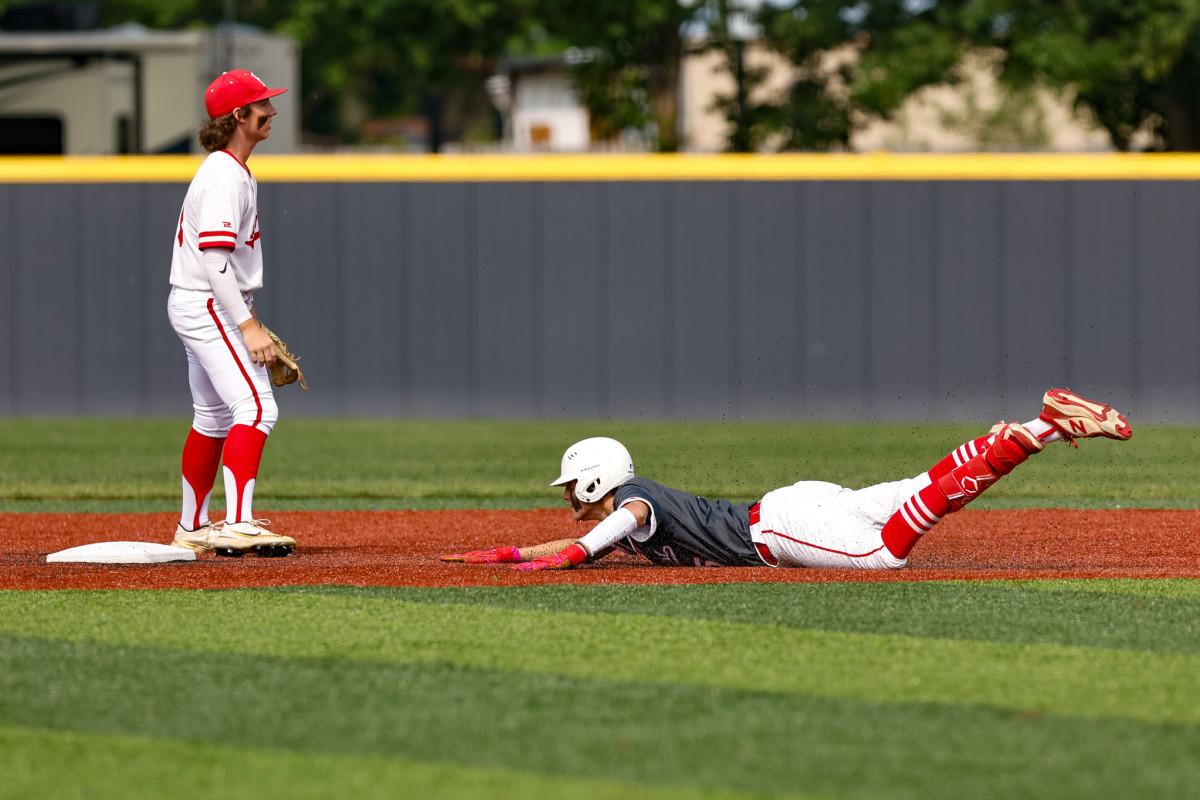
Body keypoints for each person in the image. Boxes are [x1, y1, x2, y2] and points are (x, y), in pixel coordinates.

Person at [441, 388, 1131, 571]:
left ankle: (1023, 441)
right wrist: (493, 554)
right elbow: (565, 546)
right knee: (917, 486)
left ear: (595, 482)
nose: (568, 498)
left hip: (784, 528)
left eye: (571, 486)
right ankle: (1042, 427)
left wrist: (552, 561)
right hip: (794, 505)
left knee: (890, 550)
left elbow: (586, 547)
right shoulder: (633, 509)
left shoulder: (634, 505)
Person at [166, 70, 296, 557]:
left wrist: (252, 317)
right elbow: (215, 258)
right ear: (237, 115)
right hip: (207, 302)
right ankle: (238, 524)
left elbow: (227, 265)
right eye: (261, 104)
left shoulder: (230, 170)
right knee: (258, 408)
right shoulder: (224, 176)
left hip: (197, 300)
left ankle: (194, 526)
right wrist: (247, 326)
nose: (272, 112)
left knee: (213, 417)